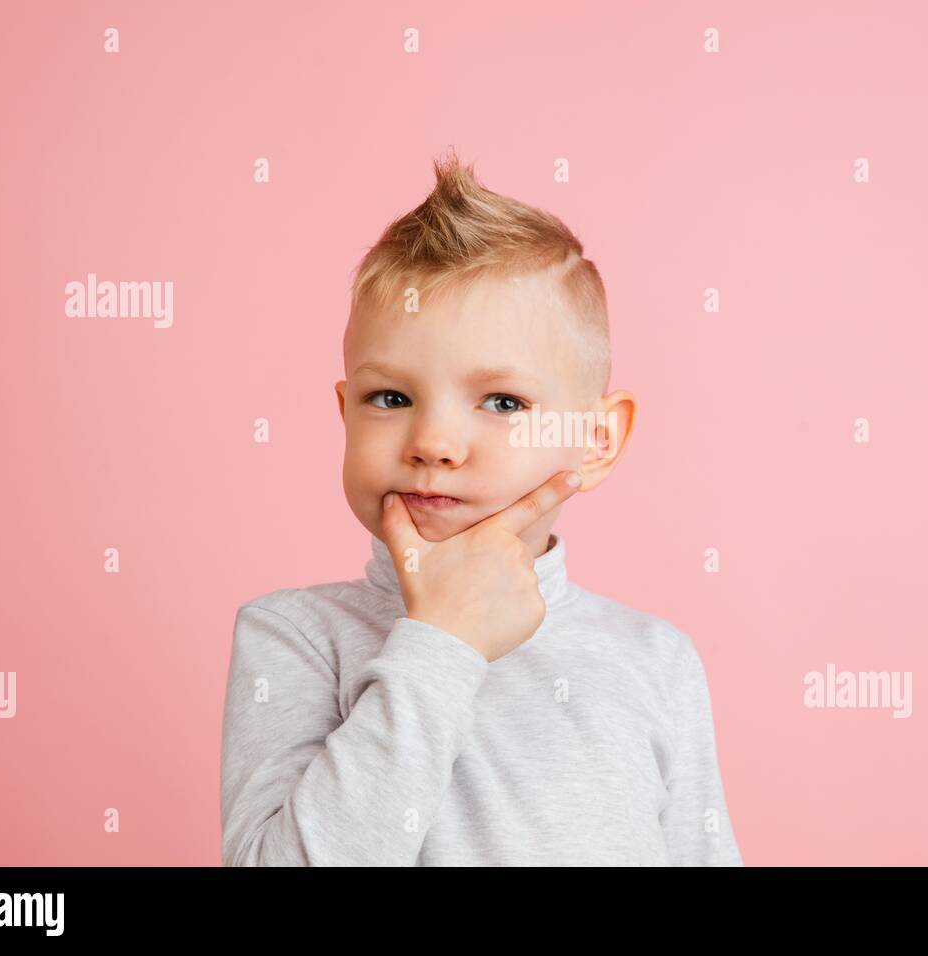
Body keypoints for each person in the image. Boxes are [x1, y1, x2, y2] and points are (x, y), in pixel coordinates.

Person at [219, 150, 743, 865]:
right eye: (391, 398)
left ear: (593, 440)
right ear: (346, 415)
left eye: (502, 402)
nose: (434, 442)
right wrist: (443, 642)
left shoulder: (656, 661)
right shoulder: (298, 637)